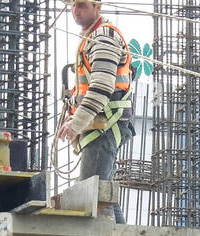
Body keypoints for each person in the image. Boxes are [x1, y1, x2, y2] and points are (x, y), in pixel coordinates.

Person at [57, 1, 134, 223]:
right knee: (103, 191)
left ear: (97, 8)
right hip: (101, 123)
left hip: (105, 125)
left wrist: (75, 123)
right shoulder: (92, 37)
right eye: (73, 6)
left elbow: (101, 88)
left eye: (81, 5)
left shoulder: (103, 38)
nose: (75, 10)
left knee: (92, 194)